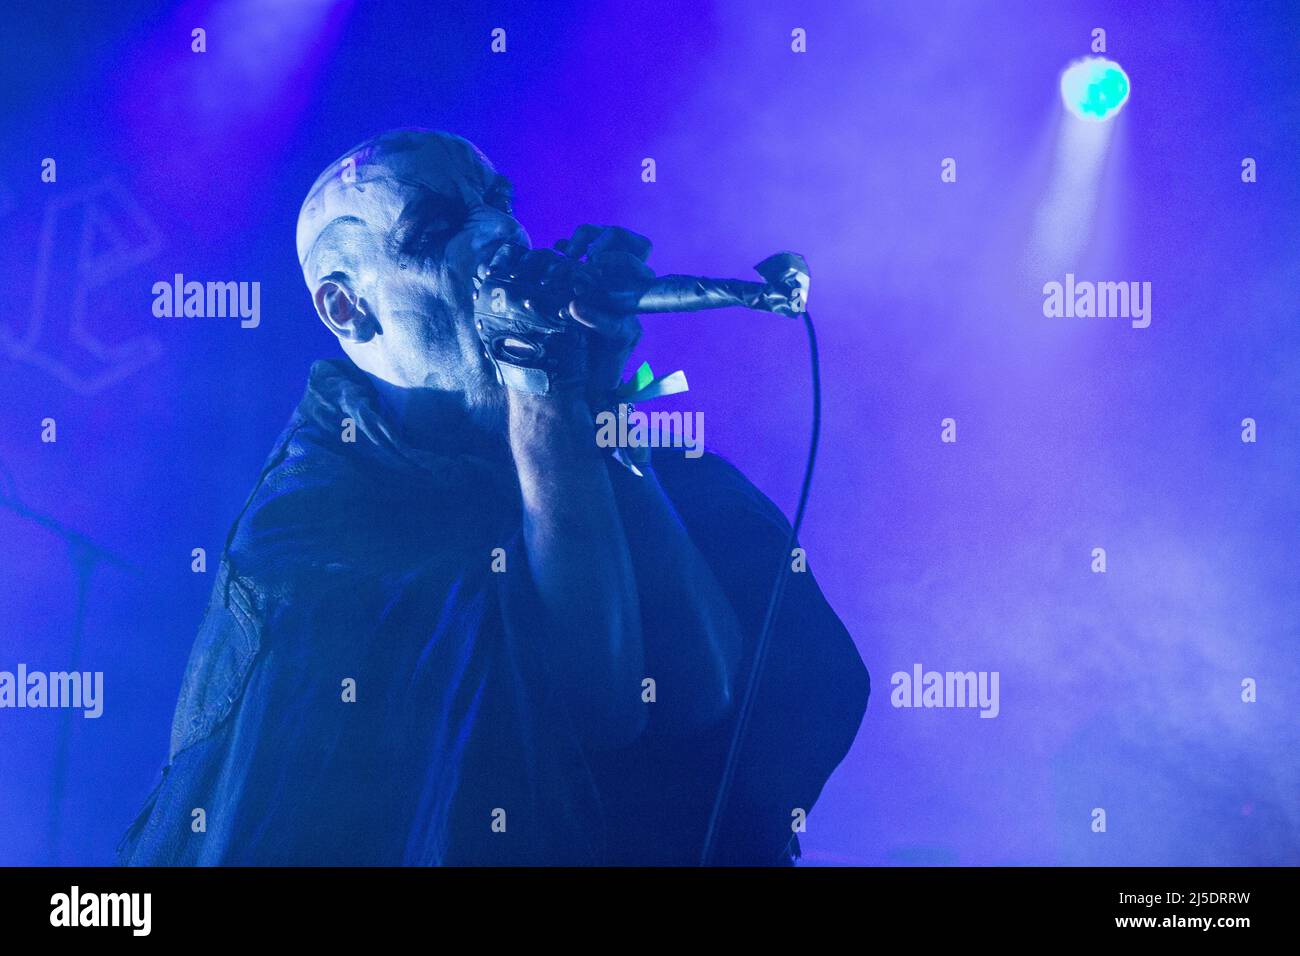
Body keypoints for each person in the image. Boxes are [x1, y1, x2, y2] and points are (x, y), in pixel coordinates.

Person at [119, 129, 868, 866]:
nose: (499, 232)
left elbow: (702, 697)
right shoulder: (314, 520)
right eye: (435, 229)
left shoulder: (641, 453)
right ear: (347, 309)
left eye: (499, 201)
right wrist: (539, 387)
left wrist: (598, 402)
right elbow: (600, 708)